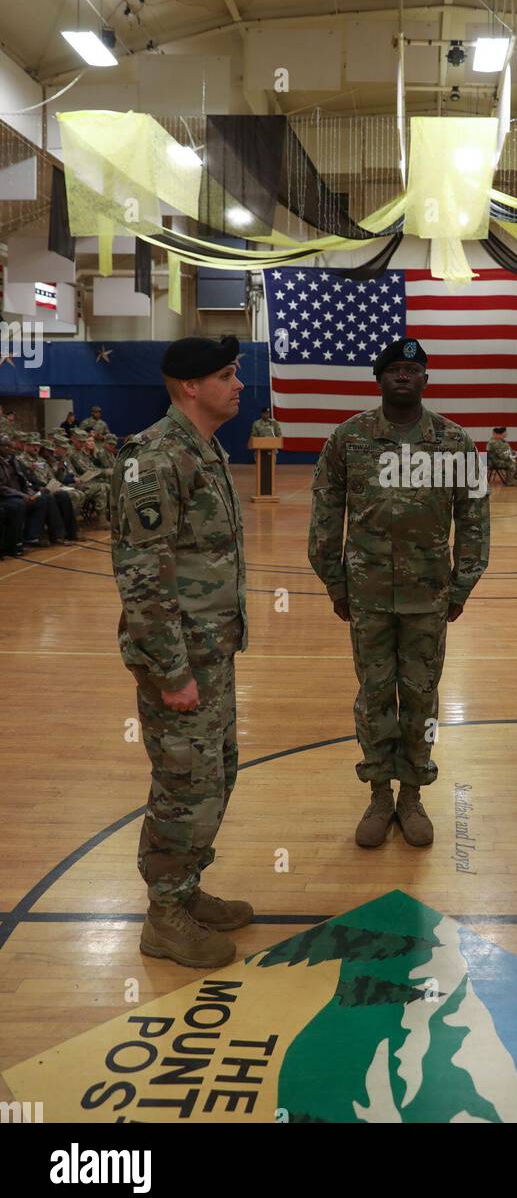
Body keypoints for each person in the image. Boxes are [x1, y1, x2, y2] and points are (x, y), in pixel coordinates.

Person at [308, 337, 489, 849]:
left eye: (413, 369)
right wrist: (333, 580)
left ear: (426, 379)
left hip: (429, 595)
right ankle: (379, 793)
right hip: (366, 594)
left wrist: (462, 585)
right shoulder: (349, 438)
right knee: (373, 696)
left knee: (421, 697)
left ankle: (413, 792)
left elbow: (474, 516)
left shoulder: (453, 442)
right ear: (379, 379)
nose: (404, 376)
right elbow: (326, 511)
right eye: (394, 369)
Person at [110, 334, 250, 969]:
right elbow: (143, 575)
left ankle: (185, 889)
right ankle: (163, 914)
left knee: (215, 770)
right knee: (183, 782)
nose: (239, 384)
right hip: (181, 661)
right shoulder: (155, 458)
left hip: (209, 653)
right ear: (191, 386)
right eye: (227, 375)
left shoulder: (203, 450)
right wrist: (170, 672)